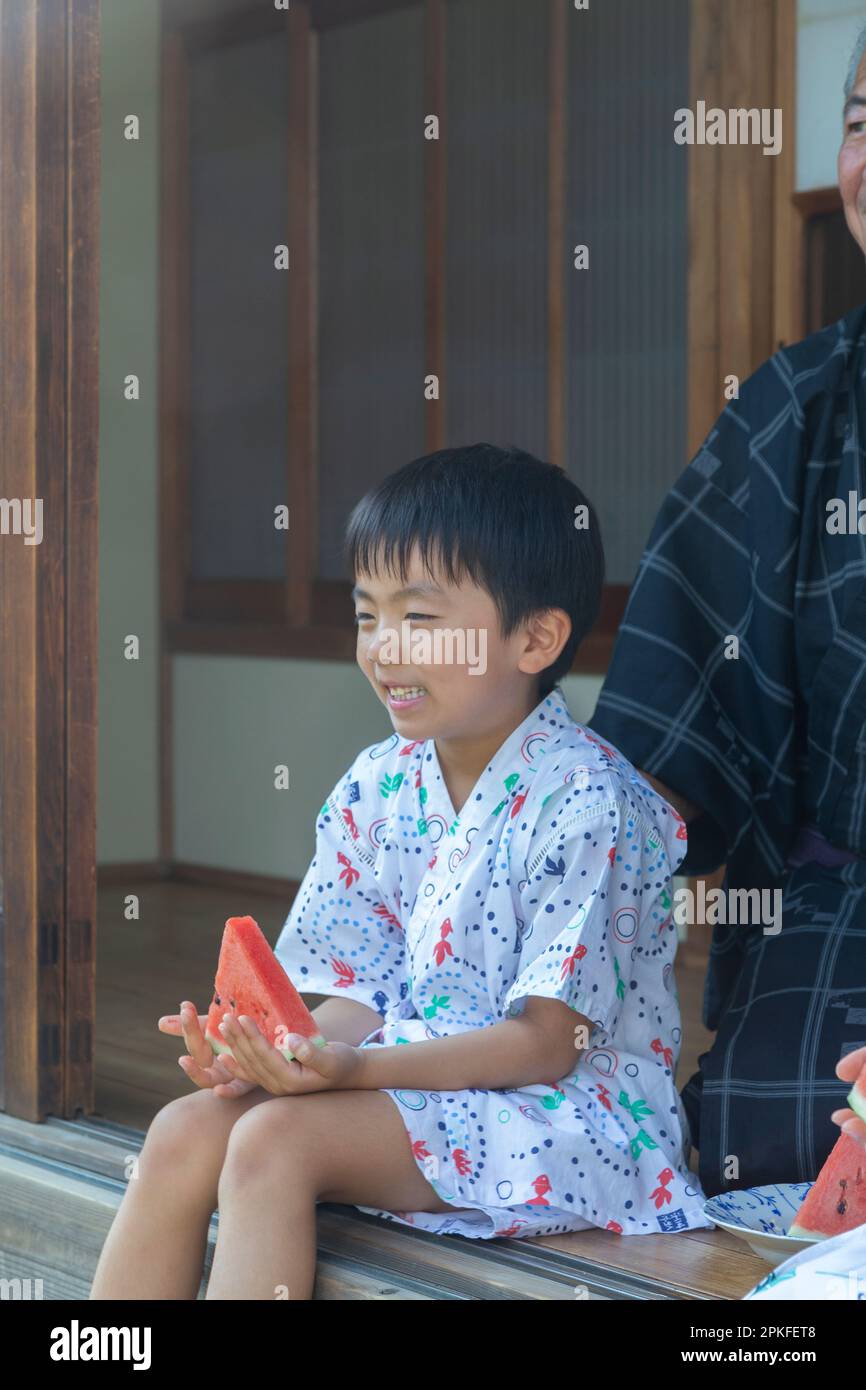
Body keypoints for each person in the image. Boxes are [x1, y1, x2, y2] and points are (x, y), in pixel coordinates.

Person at [91, 444, 712, 1302]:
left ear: (535, 637)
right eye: (367, 615)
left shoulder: (592, 799)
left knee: (274, 1145)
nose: (383, 649)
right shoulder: (378, 784)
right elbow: (359, 991)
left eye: (420, 620)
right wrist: (285, 1057)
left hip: (575, 1117)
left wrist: (353, 1076)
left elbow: (545, 1042)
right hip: (414, 1082)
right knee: (184, 1129)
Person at [588, 22, 866, 1201]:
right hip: (842, 914)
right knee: (779, 1127)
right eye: (859, 123)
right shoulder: (793, 412)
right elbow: (670, 727)